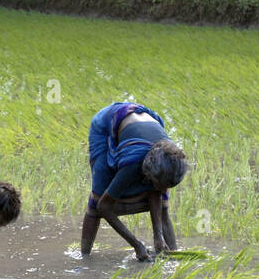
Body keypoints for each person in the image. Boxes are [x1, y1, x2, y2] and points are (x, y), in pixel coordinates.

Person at [81, 101, 189, 260]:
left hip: (146, 121)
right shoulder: (133, 163)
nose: (165, 190)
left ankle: (171, 251)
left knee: (161, 200)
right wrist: (136, 244)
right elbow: (104, 206)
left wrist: (158, 236)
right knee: (98, 195)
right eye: (162, 185)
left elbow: (156, 193)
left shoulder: (170, 157)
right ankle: (85, 257)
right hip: (106, 124)